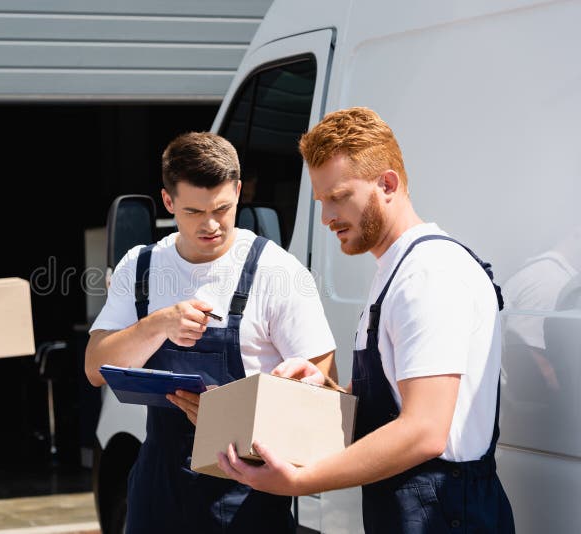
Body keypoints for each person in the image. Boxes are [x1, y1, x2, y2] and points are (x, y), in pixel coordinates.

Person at [217, 107, 516, 533]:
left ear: (387, 184)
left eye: (339, 196)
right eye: (322, 202)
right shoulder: (398, 270)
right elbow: (396, 396)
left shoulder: (428, 275)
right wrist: (329, 390)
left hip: (444, 515)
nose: (326, 218)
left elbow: (424, 430)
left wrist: (299, 481)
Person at [85, 131, 337, 534]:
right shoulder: (142, 267)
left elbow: (324, 396)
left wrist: (233, 420)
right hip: (157, 491)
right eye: (193, 211)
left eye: (222, 208)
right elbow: (95, 367)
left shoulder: (278, 272)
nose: (211, 225)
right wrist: (157, 324)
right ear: (168, 202)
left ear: (238, 191)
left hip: (245, 497)